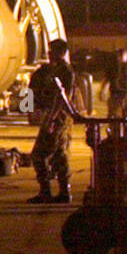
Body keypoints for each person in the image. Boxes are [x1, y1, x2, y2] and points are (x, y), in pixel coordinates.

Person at [28, 38, 75, 204]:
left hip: (58, 119)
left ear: (60, 52)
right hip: (54, 118)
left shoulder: (65, 72)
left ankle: (49, 191)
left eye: (52, 50)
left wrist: (51, 120)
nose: (49, 53)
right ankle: (60, 191)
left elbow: (63, 98)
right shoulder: (49, 70)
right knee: (59, 155)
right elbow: (34, 90)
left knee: (40, 155)